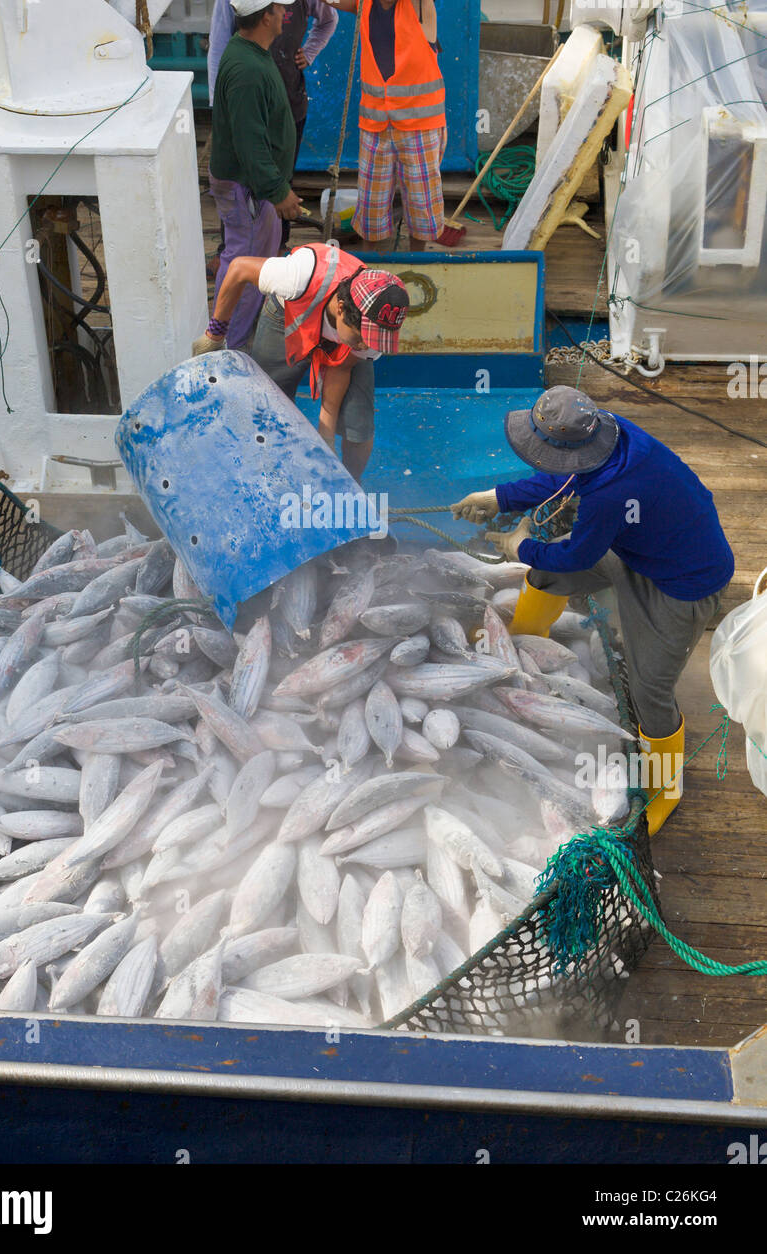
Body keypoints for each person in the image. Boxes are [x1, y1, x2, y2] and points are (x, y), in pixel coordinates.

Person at [451, 386, 735, 836]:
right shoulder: (612, 435)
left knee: (650, 693)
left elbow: (576, 558)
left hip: (682, 584)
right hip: (637, 548)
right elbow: (563, 477)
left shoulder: (610, 495)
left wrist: (518, 546)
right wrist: (499, 497)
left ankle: (666, 790)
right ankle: (522, 652)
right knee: (545, 577)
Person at [196, 241, 409, 481]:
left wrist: (325, 435)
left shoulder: (376, 327)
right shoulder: (298, 275)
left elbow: (342, 367)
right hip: (289, 312)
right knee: (267, 404)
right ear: (341, 308)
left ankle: (350, 487)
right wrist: (214, 334)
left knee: (358, 420)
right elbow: (238, 268)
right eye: (362, 338)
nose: (366, 346)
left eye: (374, 340)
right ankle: (273, 477)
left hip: (339, 328)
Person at [311, 0, 446, 252]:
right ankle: (379, 269)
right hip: (375, 129)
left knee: (421, 210)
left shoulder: (419, 1)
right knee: (372, 210)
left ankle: (418, 262)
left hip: (420, 128)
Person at [208, 0, 338, 251]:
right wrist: (217, 106)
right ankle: (232, 252)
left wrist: (309, 52)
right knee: (241, 183)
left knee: (281, 180)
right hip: (245, 104)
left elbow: (329, 19)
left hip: (289, 105)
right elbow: (218, 49)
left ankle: (279, 247)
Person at [204, 0, 301, 351]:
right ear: (266, 18)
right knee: (245, 261)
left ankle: (238, 333)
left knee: (255, 255)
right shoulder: (248, 70)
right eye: (279, 9)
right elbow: (250, 141)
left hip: (250, 186)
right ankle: (232, 346)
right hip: (247, 187)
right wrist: (278, 191)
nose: (284, 15)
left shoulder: (247, 52)